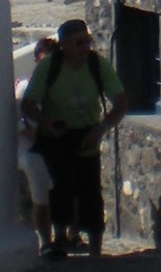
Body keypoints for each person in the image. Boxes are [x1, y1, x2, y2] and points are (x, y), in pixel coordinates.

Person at [20, 16, 127, 259]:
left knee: (91, 192)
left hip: (87, 132)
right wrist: (47, 122)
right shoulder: (50, 67)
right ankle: (60, 241)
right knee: (61, 188)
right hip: (55, 136)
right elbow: (28, 105)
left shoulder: (97, 65)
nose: (85, 47)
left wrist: (101, 128)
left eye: (87, 41)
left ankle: (95, 252)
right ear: (64, 45)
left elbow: (121, 102)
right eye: (79, 43)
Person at [16, 36, 55, 253]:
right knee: (39, 196)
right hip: (30, 150)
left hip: (48, 147)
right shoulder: (25, 88)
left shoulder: (56, 89)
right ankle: (44, 241)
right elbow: (18, 115)